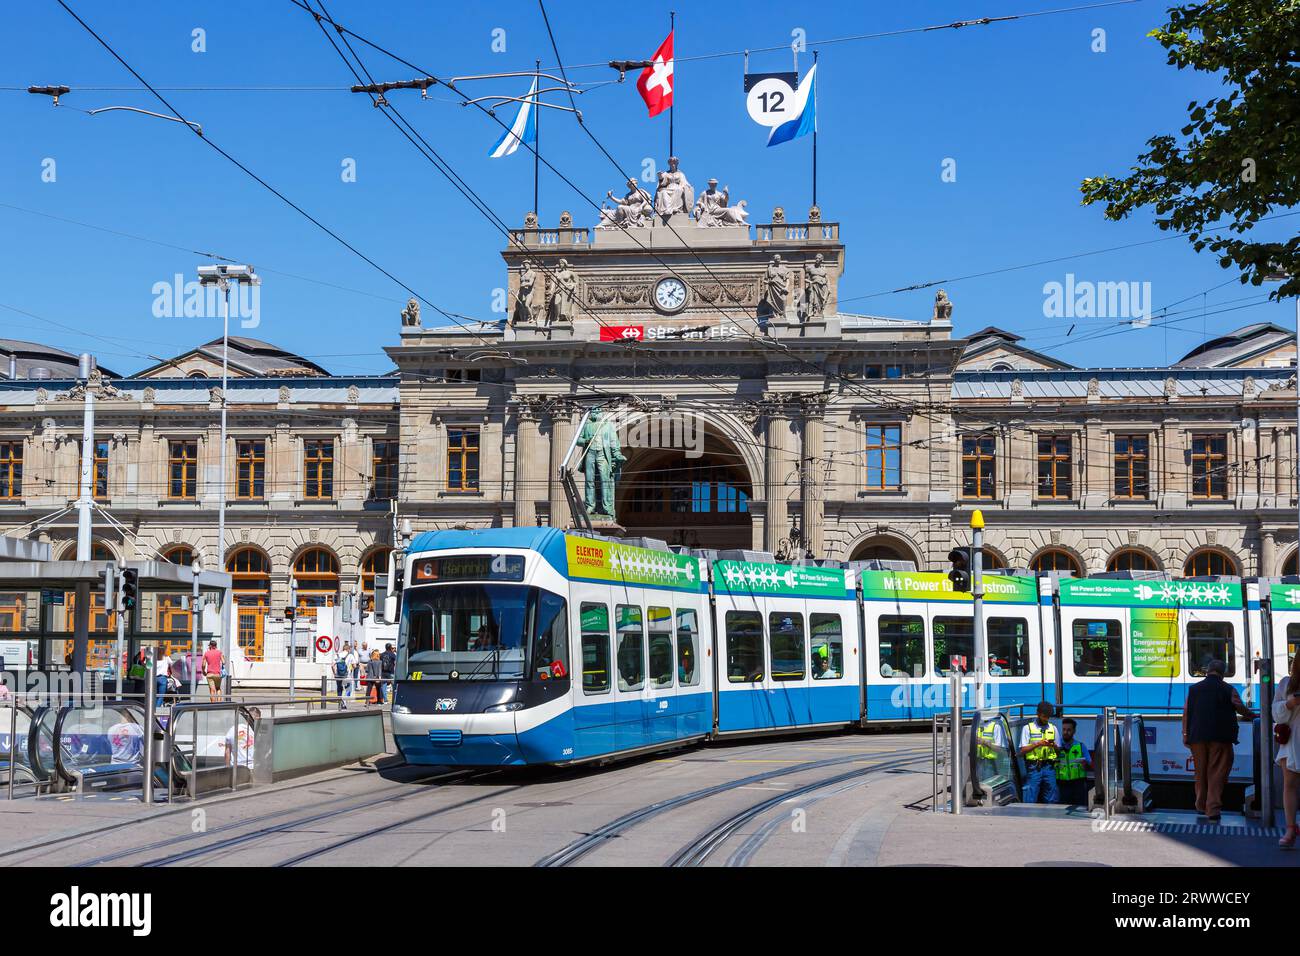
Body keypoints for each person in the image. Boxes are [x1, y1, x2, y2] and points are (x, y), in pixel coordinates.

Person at [1182, 658, 1253, 823]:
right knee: (1217, 773)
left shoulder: (1194, 689)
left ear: (1208, 671)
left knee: (1200, 772)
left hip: (1197, 737)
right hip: (1221, 738)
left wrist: (1185, 735)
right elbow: (1239, 707)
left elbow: (1186, 712)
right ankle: (1212, 809)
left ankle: (1200, 805)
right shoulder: (1228, 689)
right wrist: (1251, 715)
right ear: (1222, 674)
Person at [1272, 653, 1300, 848]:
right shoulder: (1286, 684)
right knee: (1289, 785)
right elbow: (1275, 713)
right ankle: (1290, 828)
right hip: (1292, 741)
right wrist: (1290, 704)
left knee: (1290, 785)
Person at [1019, 702, 1060, 803]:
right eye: (1044, 716)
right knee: (1031, 795)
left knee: (1051, 796)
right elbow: (1023, 750)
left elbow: (1059, 751)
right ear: (1038, 714)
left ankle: (1051, 817)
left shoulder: (1053, 728)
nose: (1046, 719)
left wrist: (1053, 745)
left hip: (1049, 766)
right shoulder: (1027, 728)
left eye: (1048, 717)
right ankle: (1029, 817)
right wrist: (1038, 744)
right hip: (1034, 767)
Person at [1055, 717, 1093, 806]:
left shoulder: (1080, 746)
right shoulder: (1056, 746)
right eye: (1064, 729)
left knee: (1079, 807)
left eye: (1069, 730)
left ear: (1074, 731)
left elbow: (1090, 765)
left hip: (1078, 783)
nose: (1065, 732)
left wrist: (1085, 765)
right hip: (1061, 784)